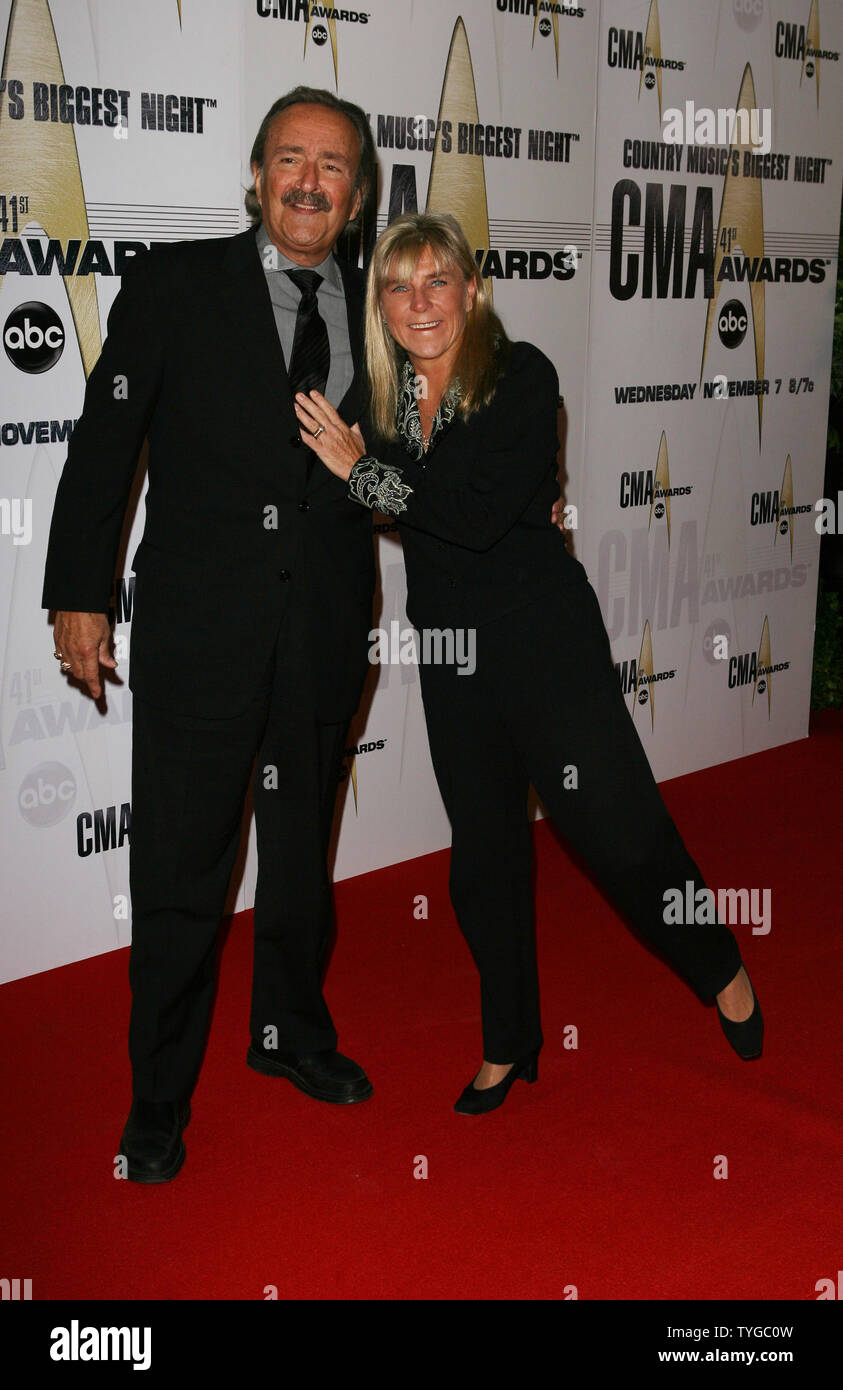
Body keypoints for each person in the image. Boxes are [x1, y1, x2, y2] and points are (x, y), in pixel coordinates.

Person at [293, 211, 764, 1115]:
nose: (419, 302)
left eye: (438, 281)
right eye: (399, 286)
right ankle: (508, 1040)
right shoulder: (381, 405)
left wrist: (366, 479)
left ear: (473, 290)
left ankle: (717, 963)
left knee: (616, 831)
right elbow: (377, 503)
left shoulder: (521, 375)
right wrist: (363, 482)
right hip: (449, 646)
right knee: (484, 856)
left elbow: (467, 517)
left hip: (542, 639)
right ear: (379, 306)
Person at [41, 87, 380, 1181]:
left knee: (296, 864)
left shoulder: (388, 307)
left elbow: (418, 464)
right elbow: (106, 443)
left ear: (359, 192)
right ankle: (156, 1100)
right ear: (256, 175)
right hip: (197, 632)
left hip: (324, 628)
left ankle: (288, 1036)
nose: (310, 181)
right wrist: (78, 593)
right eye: (291, 157)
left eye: (333, 165)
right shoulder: (177, 286)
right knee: (184, 873)